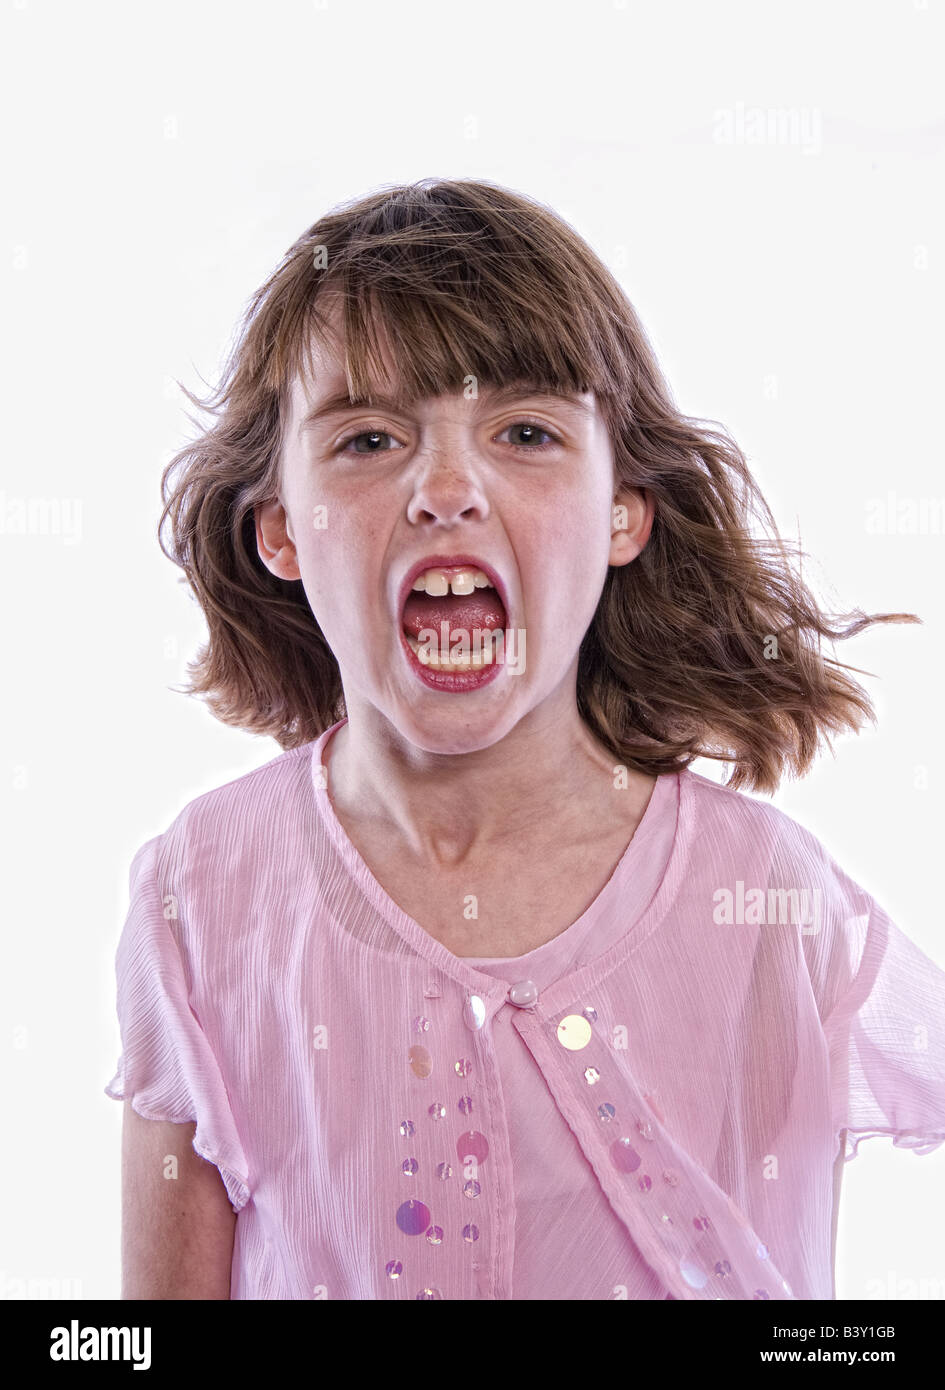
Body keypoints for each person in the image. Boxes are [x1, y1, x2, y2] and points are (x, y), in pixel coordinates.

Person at [105, 178, 945, 1300]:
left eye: (527, 431)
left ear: (622, 515)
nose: (446, 487)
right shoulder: (200, 896)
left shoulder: (767, 896)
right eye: (367, 437)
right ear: (279, 530)